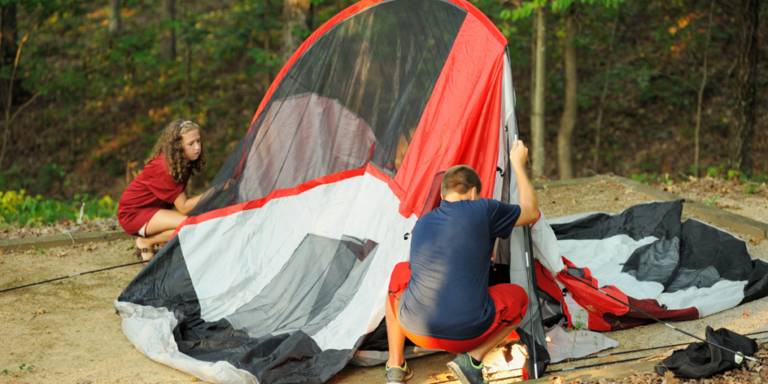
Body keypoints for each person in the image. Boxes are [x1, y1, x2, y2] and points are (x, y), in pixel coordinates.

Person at [384, 140, 539, 384]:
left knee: (399, 274)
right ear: (475, 193)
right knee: (519, 297)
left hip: (414, 330)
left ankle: (395, 365)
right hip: (466, 335)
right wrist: (518, 164)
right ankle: (472, 360)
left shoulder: (422, 223)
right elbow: (530, 211)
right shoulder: (483, 209)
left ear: (443, 194)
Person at [118, 119, 206, 264]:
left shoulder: (182, 161)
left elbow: (180, 199)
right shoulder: (166, 168)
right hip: (133, 213)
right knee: (191, 222)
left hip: (156, 207)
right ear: (177, 147)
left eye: (198, 141)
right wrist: (212, 191)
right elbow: (183, 207)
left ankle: (162, 240)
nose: (197, 148)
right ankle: (148, 242)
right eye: (191, 144)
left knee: (201, 215)